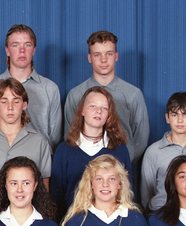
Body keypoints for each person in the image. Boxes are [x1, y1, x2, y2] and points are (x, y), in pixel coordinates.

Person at [62, 31, 149, 173]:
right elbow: (70, 135)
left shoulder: (133, 94)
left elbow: (141, 138)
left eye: (109, 54)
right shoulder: (75, 95)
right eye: (97, 55)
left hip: (120, 170)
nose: (103, 60)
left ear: (116, 56)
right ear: (89, 58)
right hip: (82, 171)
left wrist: (122, 161)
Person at [50, 87, 131, 219]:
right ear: (82, 110)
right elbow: (56, 197)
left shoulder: (120, 150)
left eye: (104, 108)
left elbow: (126, 193)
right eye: (93, 106)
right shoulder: (64, 150)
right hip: (73, 222)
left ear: (109, 114)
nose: (98, 111)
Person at [0, 24, 62, 147]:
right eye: (15, 45)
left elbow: (54, 139)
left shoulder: (50, 89)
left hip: (38, 155)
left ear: (34, 50)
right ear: (7, 50)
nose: (22, 50)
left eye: (27, 45)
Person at [0, 77, 52, 200]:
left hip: (27, 209)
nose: (10, 107)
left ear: (24, 104)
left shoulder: (39, 142)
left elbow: (44, 190)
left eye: (16, 101)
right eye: (4, 101)